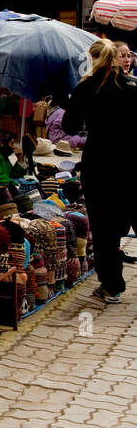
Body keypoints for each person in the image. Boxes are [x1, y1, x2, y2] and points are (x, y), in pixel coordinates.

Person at [63, 39, 137, 303]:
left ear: (93, 59)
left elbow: (69, 126)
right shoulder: (132, 87)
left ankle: (112, 287)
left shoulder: (86, 87)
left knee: (105, 230)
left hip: (101, 167)